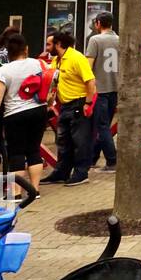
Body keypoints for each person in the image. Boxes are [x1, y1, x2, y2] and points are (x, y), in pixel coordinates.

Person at [0, 33, 48, 199]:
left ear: (8, 53)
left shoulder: (3, 70)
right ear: (26, 49)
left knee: (17, 152)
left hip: (15, 114)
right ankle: (34, 190)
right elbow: (51, 80)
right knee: (34, 149)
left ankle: (16, 192)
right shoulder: (38, 64)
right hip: (39, 111)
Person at [43, 31, 98, 186]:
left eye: (49, 44)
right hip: (64, 105)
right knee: (63, 140)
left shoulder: (76, 58)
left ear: (58, 44)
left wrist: (87, 104)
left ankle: (81, 173)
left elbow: (90, 81)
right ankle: (62, 172)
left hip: (78, 103)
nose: (47, 48)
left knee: (80, 141)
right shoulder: (57, 60)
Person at [84, 13, 119, 172]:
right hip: (115, 87)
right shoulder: (119, 39)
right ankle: (93, 157)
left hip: (99, 88)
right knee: (104, 125)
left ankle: (112, 160)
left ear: (98, 23)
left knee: (102, 126)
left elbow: (87, 66)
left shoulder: (95, 40)